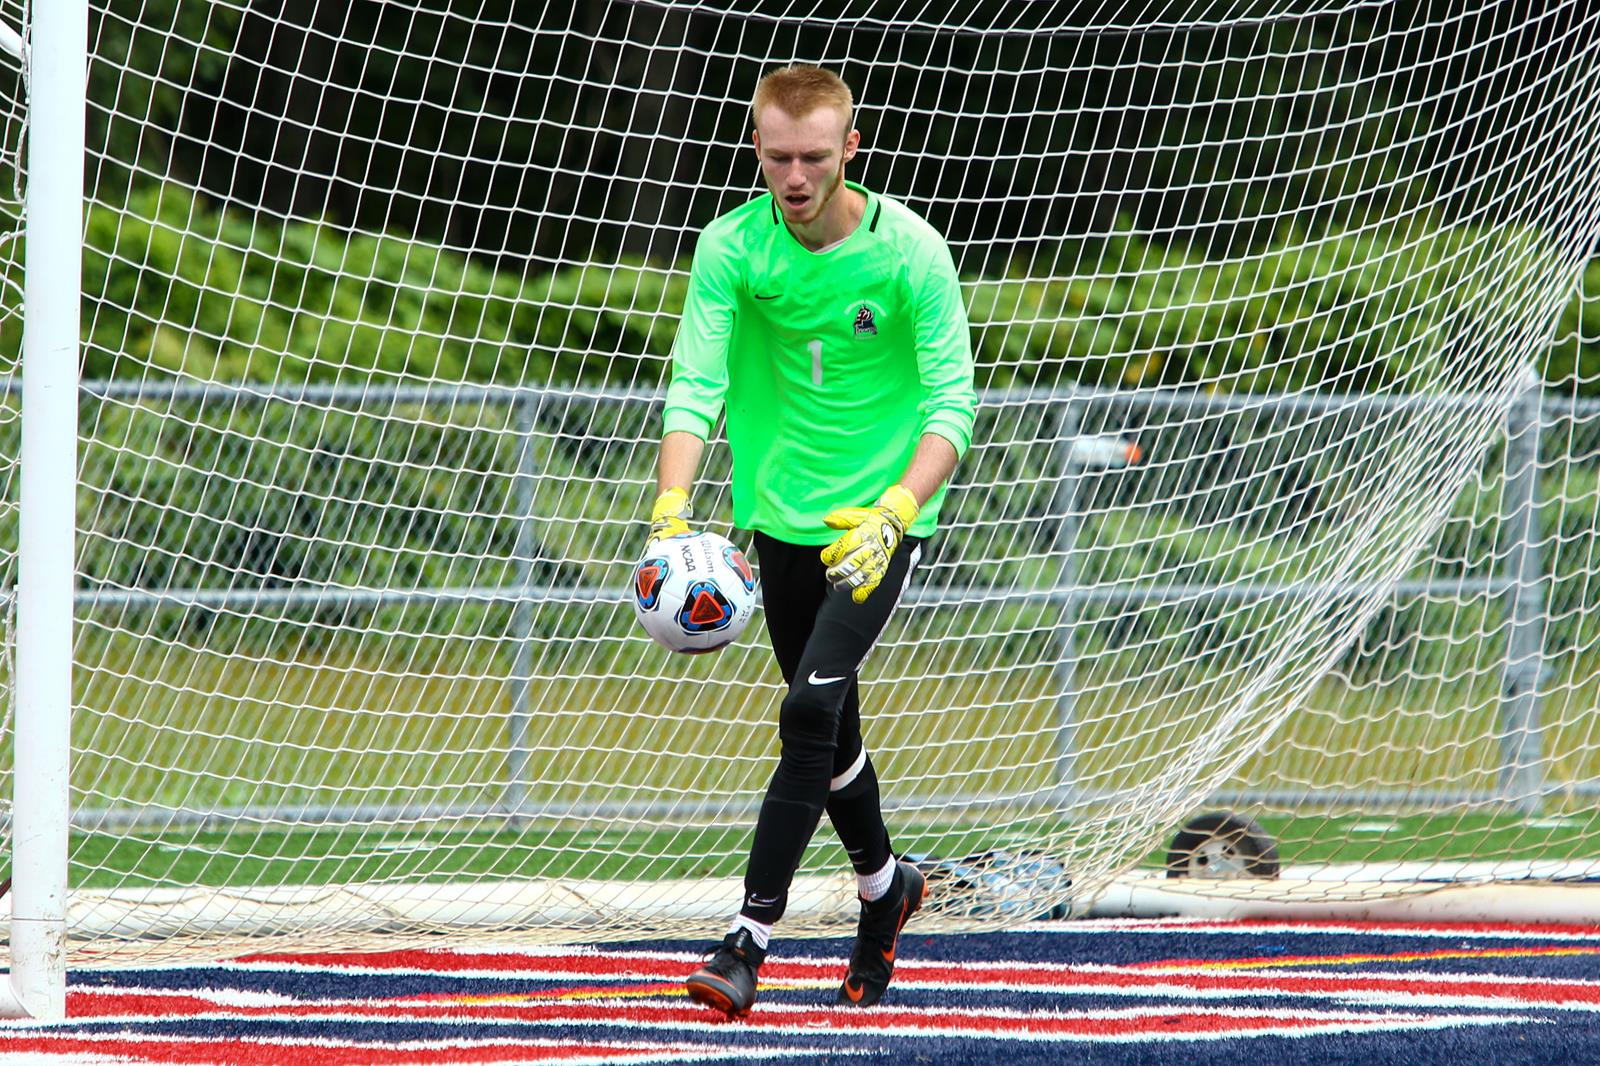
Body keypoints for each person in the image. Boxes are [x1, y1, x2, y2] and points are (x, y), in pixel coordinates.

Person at [646, 64, 977, 1018]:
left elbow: (953, 406)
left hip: (874, 528)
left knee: (806, 715)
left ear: (849, 151)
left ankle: (748, 941)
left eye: (815, 158)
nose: (795, 177)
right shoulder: (732, 249)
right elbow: (695, 387)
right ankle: (887, 892)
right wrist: (673, 507)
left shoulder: (910, 252)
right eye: (778, 157)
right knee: (830, 736)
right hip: (778, 520)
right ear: (757, 149)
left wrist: (896, 513)